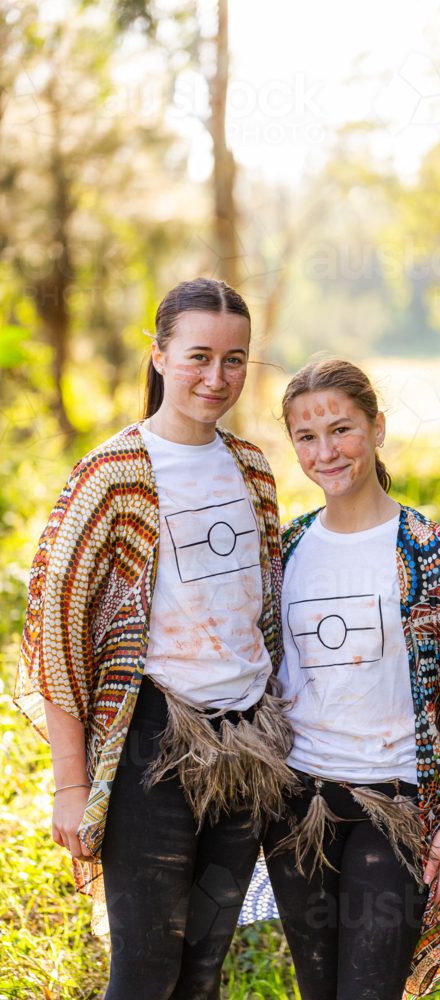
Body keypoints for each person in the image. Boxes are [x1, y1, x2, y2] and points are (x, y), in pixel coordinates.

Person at [14, 278, 294, 1000]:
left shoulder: (252, 469)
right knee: (143, 974)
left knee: (203, 972)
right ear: (160, 355)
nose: (216, 376)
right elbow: (56, 628)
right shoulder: (113, 474)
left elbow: (264, 611)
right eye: (198, 355)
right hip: (152, 744)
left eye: (235, 360)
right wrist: (71, 785)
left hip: (245, 748)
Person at [263, 357, 440, 1000]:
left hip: (394, 808)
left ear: (377, 428)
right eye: (306, 436)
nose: (325, 451)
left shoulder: (429, 550)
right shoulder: (288, 549)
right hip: (297, 806)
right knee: (319, 990)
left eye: (341, 429)